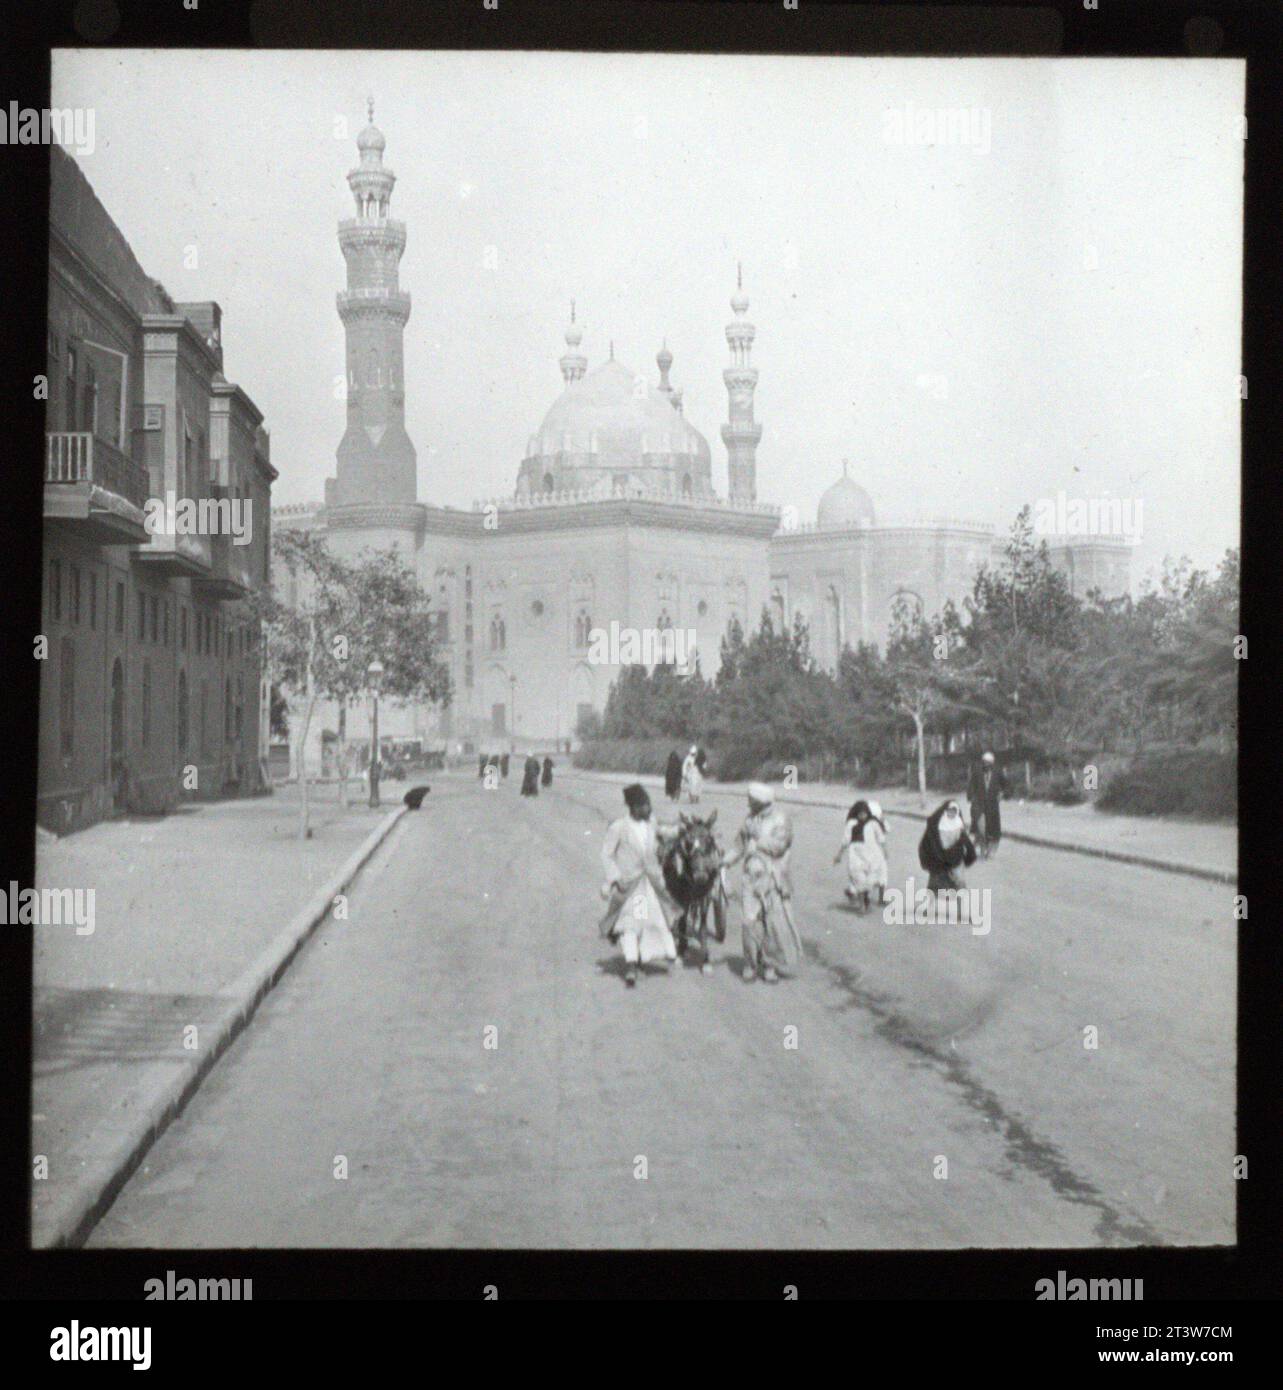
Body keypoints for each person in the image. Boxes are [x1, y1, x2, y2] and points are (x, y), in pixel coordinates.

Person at [599, 784, 680, 987]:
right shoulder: (619, 827)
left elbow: (668, 833)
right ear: (633, 807)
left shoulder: (651, 824)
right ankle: (631, 967)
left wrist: (683, 829)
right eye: (645, 806)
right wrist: (614, 877)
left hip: (648, 885)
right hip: (630, 885)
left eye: (649, 805)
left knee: (645, 922)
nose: (649, 809)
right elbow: (606, 854)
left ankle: (638, 960)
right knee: (630, 925)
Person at [722, 782, 803, 983]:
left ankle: (769, 965)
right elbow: (738, 847)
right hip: (751, 879)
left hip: (773, 879)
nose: (748, 803)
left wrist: (757, 840)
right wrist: (724, 862)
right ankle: (750, 964)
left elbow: (780, 846)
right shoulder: (749, 821)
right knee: (749, 921)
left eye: (751, 800)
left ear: (760, 801)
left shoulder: (781, 819)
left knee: (771, 924)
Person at [918, 799, 977, 894]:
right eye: (950, 811)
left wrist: (967, 859)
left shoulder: (958, 826)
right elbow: (925, 846)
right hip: (939, 864)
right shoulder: (935, 827)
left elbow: (968, 846)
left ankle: (959, 907)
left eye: (954, 812)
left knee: (958, 887)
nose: (951, 814)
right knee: (937, 888)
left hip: (953, 862)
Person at [835, 798, 882, 913]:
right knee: (859, 879)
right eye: (860, 813)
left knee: (870, 881)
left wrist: (883, 851)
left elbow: (880, 838)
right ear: (856, 813)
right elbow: (845, 840)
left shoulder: (873, 824)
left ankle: (865, 896)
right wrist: (839, 855)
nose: (862, 816)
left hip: (870, 854)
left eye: (865, 813)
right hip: (855, 855)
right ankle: (862, 905)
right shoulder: (851, 824)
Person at [967, 751, 1008, 857]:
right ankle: (983, 846)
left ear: (992, 763)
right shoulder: (977, 771)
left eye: (987, 762)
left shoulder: (997, 772)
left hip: (992, 804)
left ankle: (989, 849)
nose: (985, 764)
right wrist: (971, 797)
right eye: (984, 762)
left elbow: (1006, 785)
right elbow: (971, 785)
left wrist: (1002, 794)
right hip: (979, 804)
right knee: (981, 828)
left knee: (992, 828)